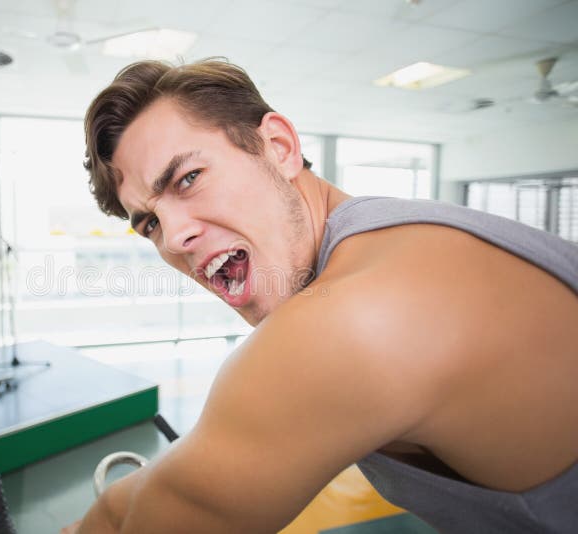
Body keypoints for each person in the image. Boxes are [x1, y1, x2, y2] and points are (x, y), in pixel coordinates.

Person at [64, 60, 578, 533]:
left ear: (279, 147)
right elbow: (163, 492)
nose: (174, 238)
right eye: (150, 223)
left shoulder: (356, 317)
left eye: (188, 178)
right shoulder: (384, 240)